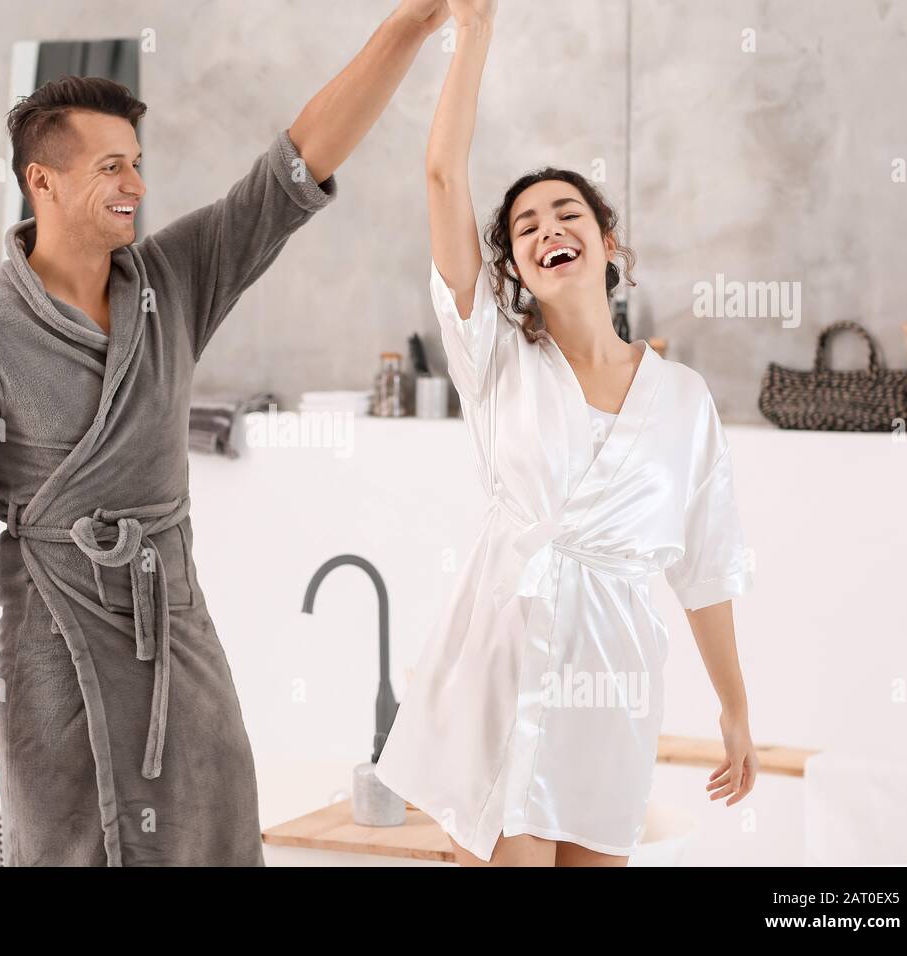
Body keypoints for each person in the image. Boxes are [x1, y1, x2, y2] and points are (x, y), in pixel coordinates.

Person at [0, 1, 454, 866]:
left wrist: (413, 25)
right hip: (57, 659)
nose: (137, 187)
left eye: (139, 164)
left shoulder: (174, 282)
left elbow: (293, 170)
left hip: (180, 652)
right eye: (112, 166)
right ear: (41, 182)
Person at [373, 0, 759, 867]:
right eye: (526, 226)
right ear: (512, 269)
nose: (549, 228)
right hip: (507, 662)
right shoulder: (497, 358)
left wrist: (735, 709)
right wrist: (474, 30)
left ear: (609, 243)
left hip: (615, 686)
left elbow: (706, 566)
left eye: (568, 214)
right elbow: (442, 176)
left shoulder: (684, 400)